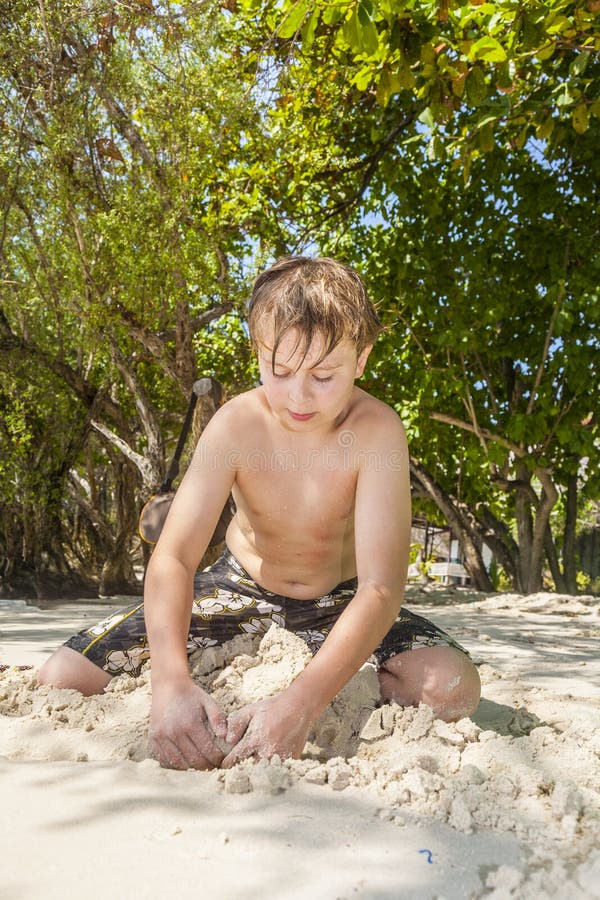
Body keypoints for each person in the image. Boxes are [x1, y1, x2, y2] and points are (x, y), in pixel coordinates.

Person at [38, 256, 481, 770]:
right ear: (258, 352)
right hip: (235, 589)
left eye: (322, 375)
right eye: (280, 370)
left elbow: (380, 589)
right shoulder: (235, 426)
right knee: (60, 678)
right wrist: (171, 685)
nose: (298, 396)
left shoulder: (378, 432)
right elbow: (175, 558)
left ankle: (326, 679)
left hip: (337, 604)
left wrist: (303, 703)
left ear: (361, 359)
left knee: (453, 687)